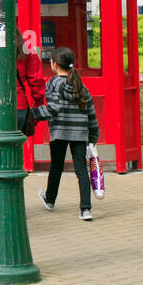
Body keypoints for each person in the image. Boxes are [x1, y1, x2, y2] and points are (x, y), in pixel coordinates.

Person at [36, 47, 99, 221]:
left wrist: (34, 114)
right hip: (79, 133)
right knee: (81, 170)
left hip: (59, 131)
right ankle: (85, 209)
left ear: (55, 64)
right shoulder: (80, 85)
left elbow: (52, 109)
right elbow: (91, 112)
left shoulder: (53, 83)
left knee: (56, 166)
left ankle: (50, 200)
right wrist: (93, 136)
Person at [16, 35, 47, 138]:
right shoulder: (24, 46)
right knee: (16, 145)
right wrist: (39, 103)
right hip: (19, 104)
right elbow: (36, 80)